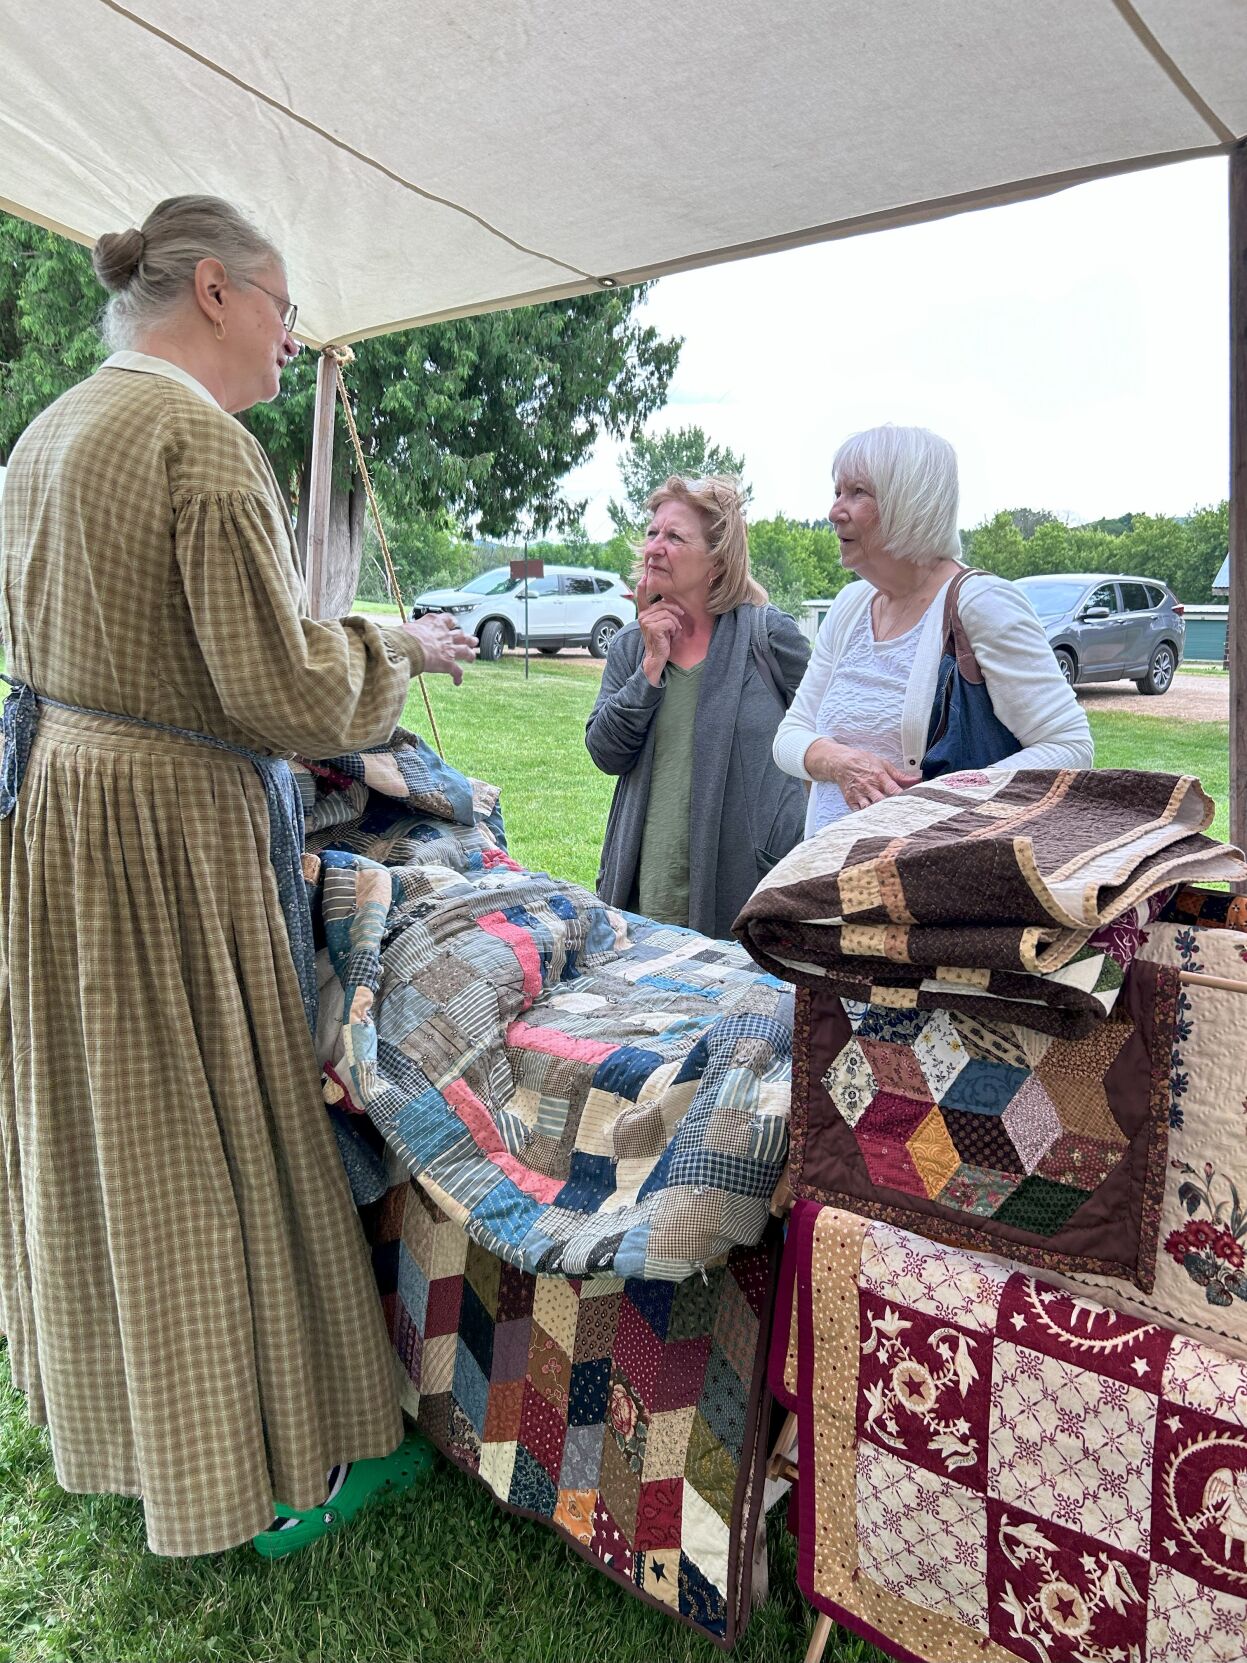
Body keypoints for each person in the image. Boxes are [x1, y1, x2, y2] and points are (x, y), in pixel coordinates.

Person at [0, 195, 475, 1558]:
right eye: (280, 308)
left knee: (100, 1120)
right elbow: (283, 689)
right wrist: (398, 651)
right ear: (214, 289)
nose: (287, 339)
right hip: (156, 831)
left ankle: (125, 1421)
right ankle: (252, 1462)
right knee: (197, 1139)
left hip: (59, 808)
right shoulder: (194, 443)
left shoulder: (52, 428)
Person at [774, 425, 1092, 834]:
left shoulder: (980, 602)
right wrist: (840, 762)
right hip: (829, 877)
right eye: (837, 492)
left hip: (931, 880)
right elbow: (790, 735)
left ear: (909, 501)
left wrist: (950, 796)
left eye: (857, 493)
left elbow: (1070, 747)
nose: (835, 511)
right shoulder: (850, 606)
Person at [586, 475, 810, 938]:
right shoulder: (632, 645)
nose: (654, 547)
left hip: (748, 887)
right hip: (646, 886)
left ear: (717, 560)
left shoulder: (768, 638)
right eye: (652, 533)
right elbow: (606, 753)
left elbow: (826, 729)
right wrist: (650, 668)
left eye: (674, 537)